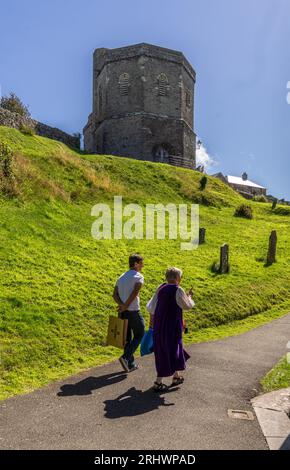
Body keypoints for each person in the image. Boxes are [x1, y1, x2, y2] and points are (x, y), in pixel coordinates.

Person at [146, 267, 195, 392]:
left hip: (160, 325)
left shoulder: (160, 288)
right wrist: (189, 297)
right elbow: (187, 306)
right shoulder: (178, 290)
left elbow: (151, 307)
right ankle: (158, 382)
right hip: (172, 326)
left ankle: (176, 376)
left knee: (167, 349)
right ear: (178, 278)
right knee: (172, 348)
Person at [113, 254, 145, 372]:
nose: (142, 265)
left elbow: (114, 295)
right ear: (136, 264)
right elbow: (135, 292)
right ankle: (126, 358)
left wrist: (122, 306)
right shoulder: (138, 276)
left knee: (127, 339)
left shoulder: (121, 277)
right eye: (141, 263)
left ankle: (130, 364)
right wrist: (126, 306)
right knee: (140, 333)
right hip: (133, 312)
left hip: (122, 313)